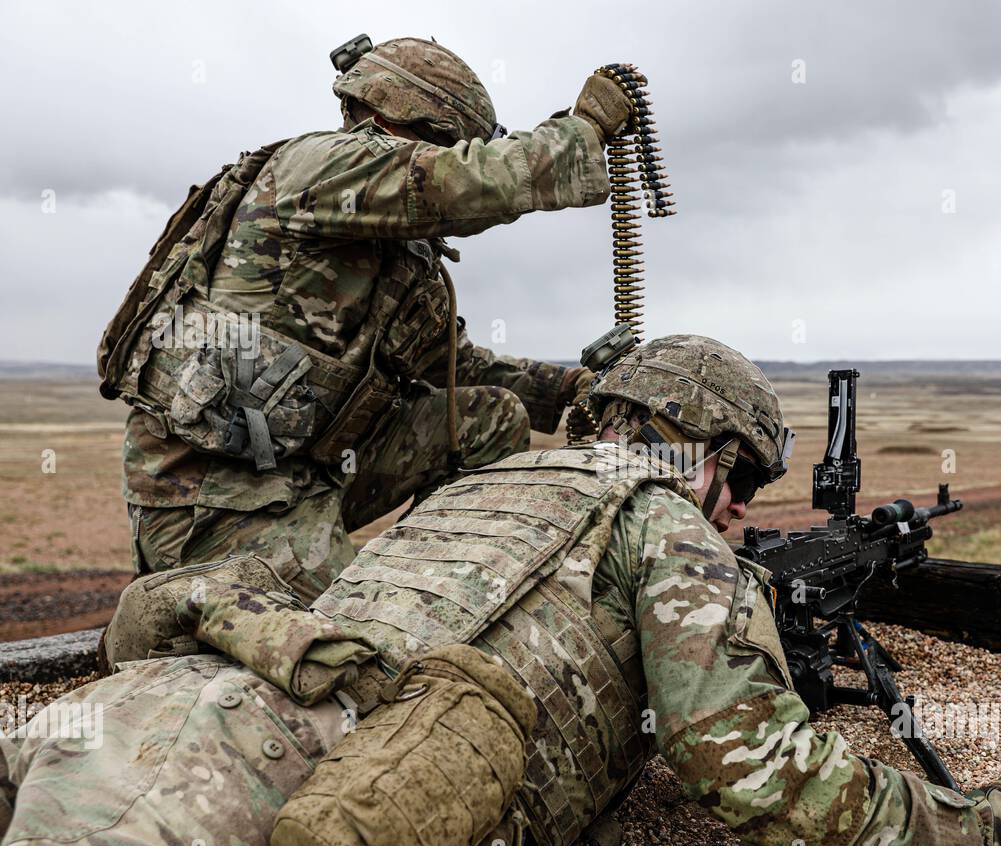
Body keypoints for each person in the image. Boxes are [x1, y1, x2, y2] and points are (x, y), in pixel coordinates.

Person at [1, 334, 1001, 846]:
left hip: (125, 716)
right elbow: (797, 805)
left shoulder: (483, 487)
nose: (740, 520)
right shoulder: (657, 524)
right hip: (257, 799)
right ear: (705, 454)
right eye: (741, 488)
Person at [95, 35, 636, 599]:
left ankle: (439, 582)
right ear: (395, 119)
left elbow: (451, 365)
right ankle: (179, 608)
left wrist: (571, 387)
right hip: (207, 499)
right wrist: (581, 132)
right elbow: (461, 183)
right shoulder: (317, 166)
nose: (429, 161)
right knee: (349, 645)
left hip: (307, 479)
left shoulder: (398, 253)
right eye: (438, 146)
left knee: (489, 418)